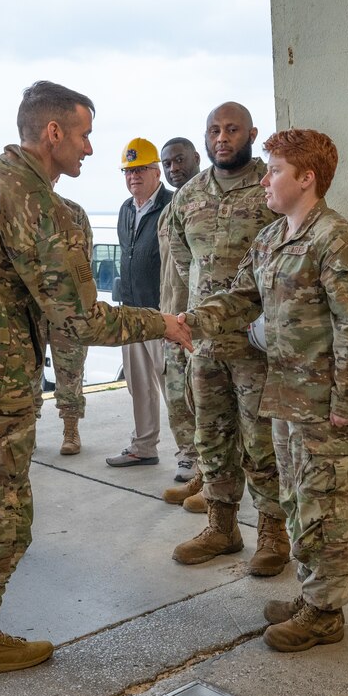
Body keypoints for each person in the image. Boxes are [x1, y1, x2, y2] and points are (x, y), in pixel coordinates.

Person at [0, 81, 191, 679]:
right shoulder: (43, 208)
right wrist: (164, 322)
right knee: (3, 512)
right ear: (52, 132)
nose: (88, 149)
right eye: (83, 134)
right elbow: (80, 318)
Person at [182, 128, 348, 652]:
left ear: (306, 179)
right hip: (288, 400)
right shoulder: (273, 239)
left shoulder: (338, 242)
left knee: (326, 511)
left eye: (274, 171)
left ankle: (325, 614)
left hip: (326, 410)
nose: (265, 180)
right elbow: (239, 297)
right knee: (297, 504)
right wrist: (187, 322)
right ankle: (310, 595)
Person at [165, 102, 290, 576]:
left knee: (260, 443)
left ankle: (273, 533)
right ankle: (222, 527)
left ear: (251, 134)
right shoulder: (189, 194)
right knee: (211, 439)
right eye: (214, 130)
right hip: (204, 344)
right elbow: (181, 254)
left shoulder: (267, 187)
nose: (222, 138)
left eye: (232, 129)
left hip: (255, 343)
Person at [106, 138, 173, 468]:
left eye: (141, 169)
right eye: (129, 171)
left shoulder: (170, 207)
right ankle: (143, 446)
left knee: (172, 387)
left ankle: (191, 456)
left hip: (162, 313)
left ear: (156, 172)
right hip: (131, 313)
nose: (134, 176)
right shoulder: (125, 210)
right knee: (139, 385)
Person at [157, 138, 205, 494]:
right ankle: (188, 456)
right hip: (171, 318)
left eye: (179, 160)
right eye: (167, 163)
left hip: (203, 321)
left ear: (196, 159)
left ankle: (211, 470)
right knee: (176, 394)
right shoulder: (167, 211)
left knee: (204, 397)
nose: (174, 168)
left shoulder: (208, 203)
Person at [41, 194, 92, 455]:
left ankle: (71, 429)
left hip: (67, 307)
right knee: (25, 374)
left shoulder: (73, 212)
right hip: (29, 308)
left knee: (70, 372)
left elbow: (85, 264)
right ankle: (26, 431)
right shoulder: (16, 211)